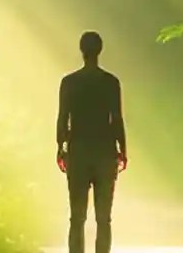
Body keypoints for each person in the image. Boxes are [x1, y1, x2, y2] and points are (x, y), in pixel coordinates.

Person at [56, 31, 127, 253]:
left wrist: (61, 148)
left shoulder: (69, 83)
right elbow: (116, 119)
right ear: (100, 50)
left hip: (78, 153)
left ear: (81, 50)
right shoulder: (110, 82)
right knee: (104, 218)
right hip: (105, 153)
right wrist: (122, 150)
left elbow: (62, 118)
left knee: (77, 218)